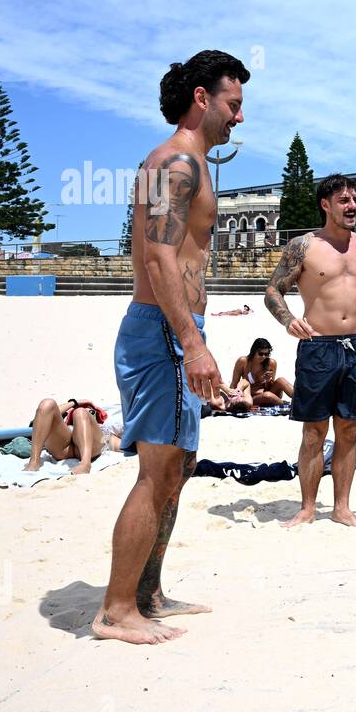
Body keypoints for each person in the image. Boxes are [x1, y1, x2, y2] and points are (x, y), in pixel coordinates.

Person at [93, 49, 248, 646]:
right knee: (155, 475)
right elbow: (158, 258)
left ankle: (147, 594)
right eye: (233, 105)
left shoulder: (192, 164)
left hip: (177, 330)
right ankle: (113, 611)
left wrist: (197, 337)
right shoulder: (176, 162)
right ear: (203, 98)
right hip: (163, 330)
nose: (238, 118)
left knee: (177, 469)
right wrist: (191, 343)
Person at [265, 173, 356, 529]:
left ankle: (342, 508)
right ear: (325, 205)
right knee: (314, 432)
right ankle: (308, 508)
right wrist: (288, 320)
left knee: (349, 430)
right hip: (318, 347)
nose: (352, 206)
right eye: (343, 200)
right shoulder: (304, 246)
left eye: (354, 200)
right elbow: (273, 292)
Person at [23, 398, 121, 474]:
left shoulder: (103, 429)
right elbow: (43, 414)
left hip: (92, 445)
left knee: (80, 412)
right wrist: (74, 402)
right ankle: (34, 461)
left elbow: (122, 444)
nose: (87, 410)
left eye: (91, 411)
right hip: (65, 446)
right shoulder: (66, 421)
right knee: (47, 403)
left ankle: (85, 464)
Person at [229, 338, 295, 406]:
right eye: (260, 354)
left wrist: (267, 381)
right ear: (254, 352)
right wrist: (231, 399)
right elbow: (234, 383)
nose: (264, 357)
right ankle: (287, 405)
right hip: (251, 397)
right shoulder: (243, 362)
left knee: (281, 380)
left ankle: (300, 399)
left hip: (268, 394)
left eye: (266, 354)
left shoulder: (271, 363)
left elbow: (269, 387)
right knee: (267, 395)